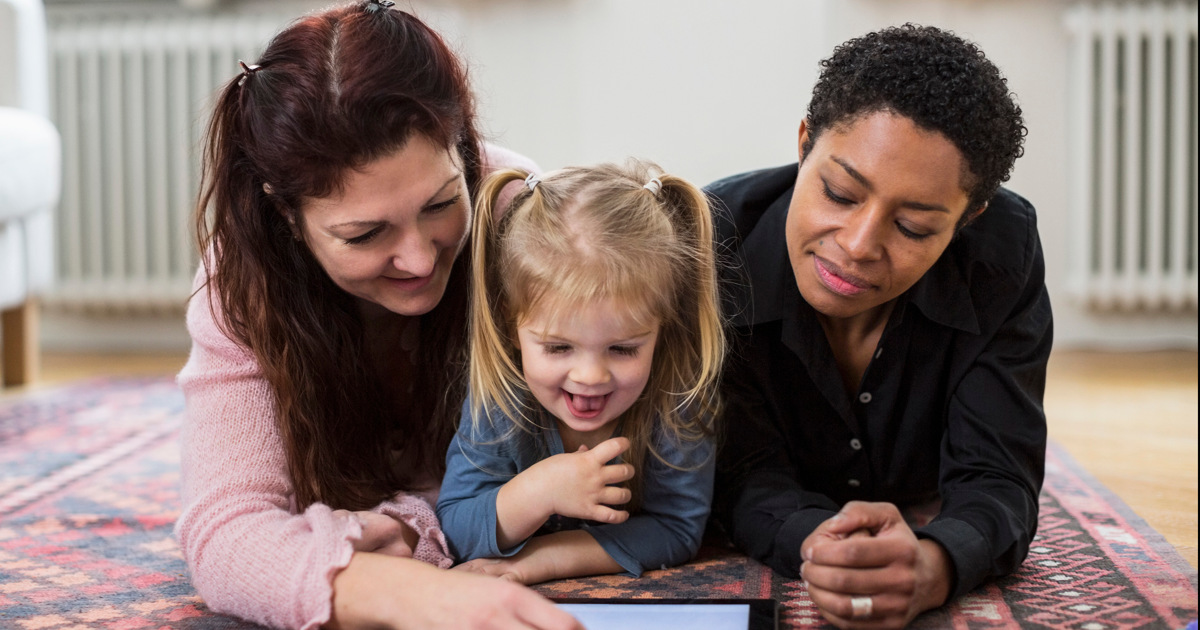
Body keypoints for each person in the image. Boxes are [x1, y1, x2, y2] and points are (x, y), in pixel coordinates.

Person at [174, 2, 583, 629]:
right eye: (364, 235)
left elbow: (587, 451)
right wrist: (404, 594)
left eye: (442, 203)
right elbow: (225, 533)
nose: (419, 260)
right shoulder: (241, 278)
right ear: (286, 215)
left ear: (464, 149)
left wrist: (410, 526)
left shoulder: (519, 217)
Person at [708, 24, 1051, 629]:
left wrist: (935, 564)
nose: (859, 246)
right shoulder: (710, 252)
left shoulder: (1002, 256)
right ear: (804, 144)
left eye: (915, 227)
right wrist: (825, 547)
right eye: (839, 193)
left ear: (968, 218)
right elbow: (740, 474)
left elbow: (998, 472)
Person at [436, 161, 726, 584]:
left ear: (662, 329)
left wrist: (542, 559)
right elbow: (456, 529)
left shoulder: (677, 400)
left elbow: (677, 528)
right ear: (512, 326)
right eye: (558, 347)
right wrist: (539, 492)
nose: (590, 375)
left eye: (624, 348)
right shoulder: (499, 401)